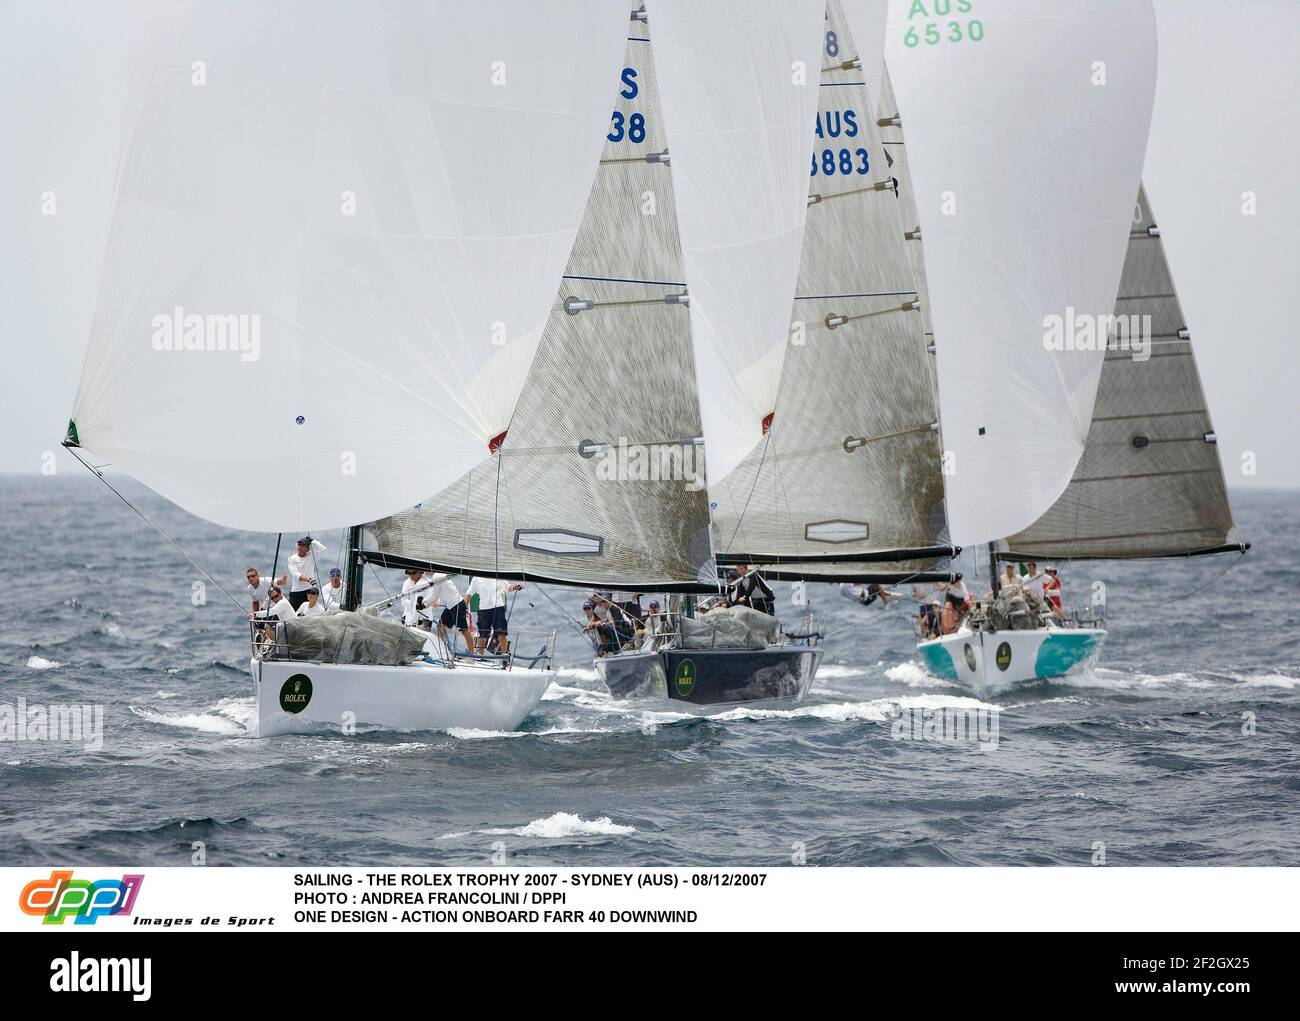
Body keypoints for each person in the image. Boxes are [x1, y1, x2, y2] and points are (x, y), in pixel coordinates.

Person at [466, 576, 522, 654]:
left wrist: (515, 587)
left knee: (501, 634)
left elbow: (508, 587)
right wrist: (463, 607)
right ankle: (480, 655)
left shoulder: (497, 575)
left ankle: (504, 657)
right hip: (483, 609)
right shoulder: (477, 578)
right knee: (482, 635)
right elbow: (469, 593)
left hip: (498, 607)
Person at [429, 575, 472, 651]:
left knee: (464, 632)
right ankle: (445, 651)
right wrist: (437, 601)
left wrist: (424, 604)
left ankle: (471, 655)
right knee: (440, 626)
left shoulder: (437, 576)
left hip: (458, 605)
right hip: (450, 606)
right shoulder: (437, 577)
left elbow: (434, 595)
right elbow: (437, 592)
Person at [286, 536, 327, 611]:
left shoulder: (311, 556)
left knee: (307, 613)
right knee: (291, 613)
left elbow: (323, 549)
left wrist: (313, 541)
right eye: (299, 545)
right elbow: (295, 574)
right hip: (296, 591)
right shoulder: (291, 558)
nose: (300, 547)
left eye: (303, 545)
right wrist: (309, 579)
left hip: (309, 591)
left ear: (308, 548)